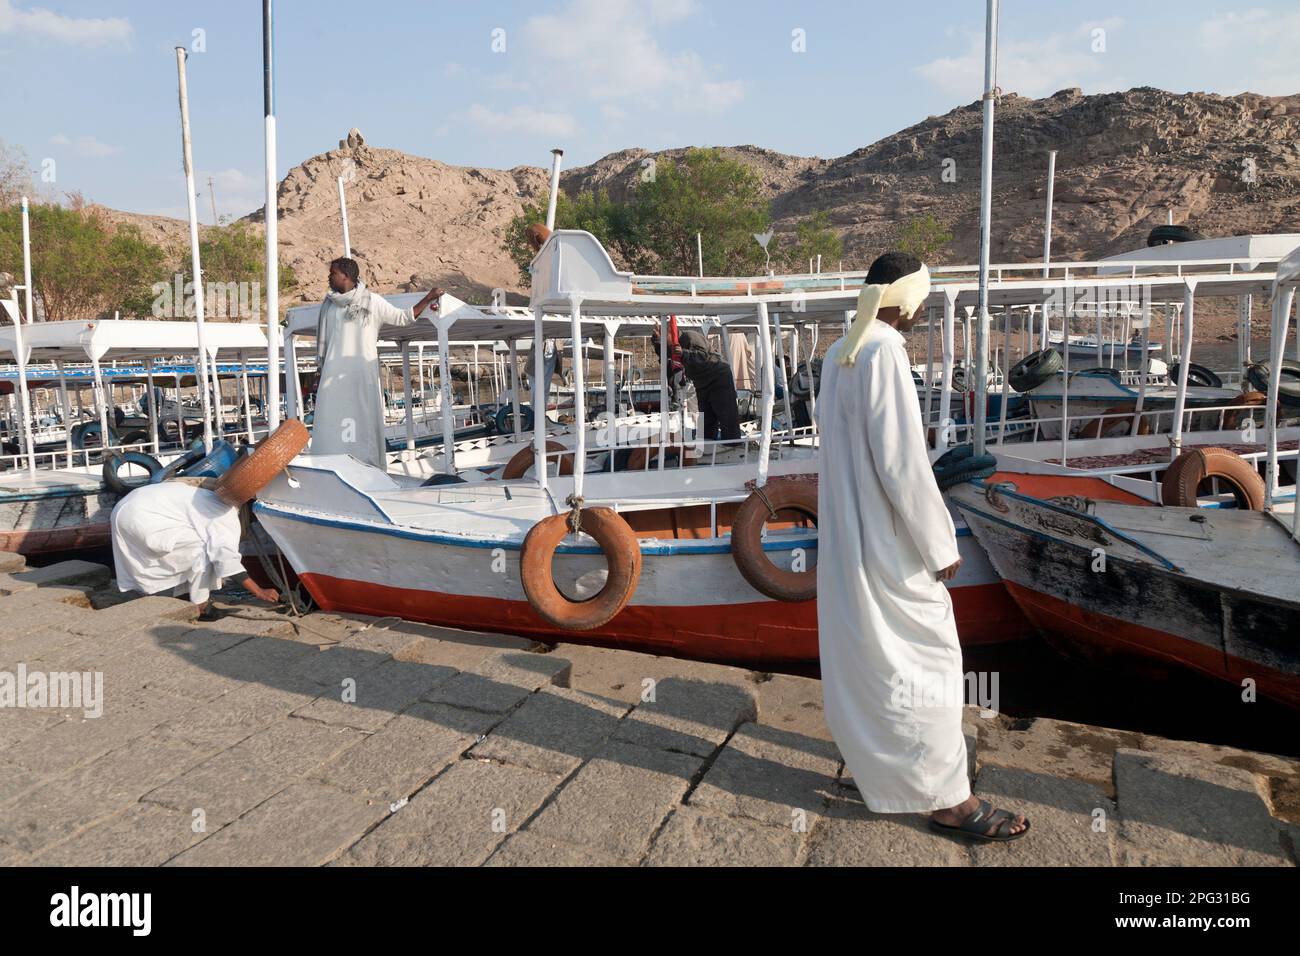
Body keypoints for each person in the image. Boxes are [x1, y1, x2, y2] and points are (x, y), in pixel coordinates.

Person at [815, 251, 1029, 843]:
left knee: (868, 658)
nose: (919, 314)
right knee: (929, 663)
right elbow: (902, 462)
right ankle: (950, 803)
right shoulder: (884, 350)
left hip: (849, 539)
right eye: (920, 302)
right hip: (888, 542)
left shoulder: (841, 351)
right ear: (906, 298)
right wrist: (938, 545)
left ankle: (877, 769)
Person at [311, 257, 442, 468]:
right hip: (333, 377)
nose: (329, 277)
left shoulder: (373, 301)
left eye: (332, 273)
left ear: (345, 275)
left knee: (362, 424)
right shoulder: (329, 306)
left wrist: (429, 298)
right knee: (332, 423)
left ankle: (365, 468)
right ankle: (332, 467)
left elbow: (403, 317)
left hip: (361, 375)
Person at [111, 479, 278, 611]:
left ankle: (185, 597)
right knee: (204, 550)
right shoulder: (225, 515)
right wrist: (259, 591)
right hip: (141, 516)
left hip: (128, 507)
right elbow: (226, 559)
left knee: (194, 546)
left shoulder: (212, 498)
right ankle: (200, 605)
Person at [652, 324, 741, 442]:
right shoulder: (671, 347)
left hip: (718, 377)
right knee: (706, 417)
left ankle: (732, 444)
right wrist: (657, 343)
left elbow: (703, 356)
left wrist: (683, 353)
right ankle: (708, 443)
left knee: (726, 413)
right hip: (702, 382)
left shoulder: (689, 337)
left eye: (663, 337)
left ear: (671, 333)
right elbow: (666, 359)